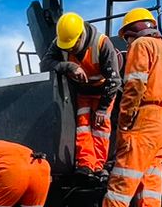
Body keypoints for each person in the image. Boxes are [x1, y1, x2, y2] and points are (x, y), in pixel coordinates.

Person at [68, 8, 162, 207]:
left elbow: (135, 85)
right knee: (150, 187)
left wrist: (125, 121)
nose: (127, 42)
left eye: (126, 37)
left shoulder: (141, 45)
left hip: (145, 120)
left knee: (120, 186)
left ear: (131, 32)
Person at [40, 12, 122, 176]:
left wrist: (102, 108)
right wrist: (69, 66)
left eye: (72, 46)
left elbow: (115, 81)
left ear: (81, 36)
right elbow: (45, 64)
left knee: (100, 127)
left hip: (104, 92)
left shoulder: (102, 43)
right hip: (83, 92)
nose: (70, 49)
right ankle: (85, 165)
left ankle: (99, 167)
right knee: (83, 127)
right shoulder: (61, 42)